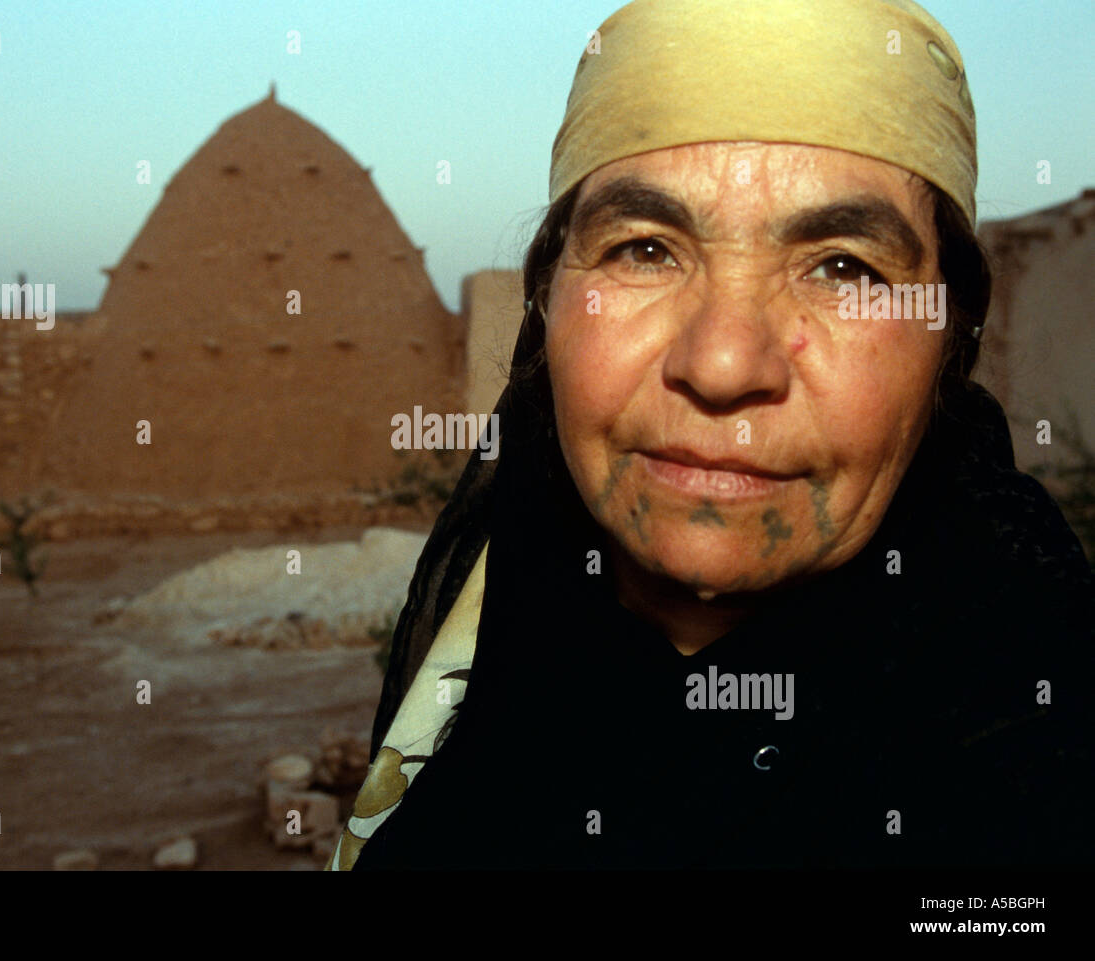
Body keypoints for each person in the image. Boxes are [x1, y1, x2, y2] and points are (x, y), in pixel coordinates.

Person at [327, 0, 1094, 870]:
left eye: (845, 266)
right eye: (645, 249)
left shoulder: (1031, 756)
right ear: (547, 307)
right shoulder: (501, 626)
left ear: (948, 342)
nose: (724, 364)